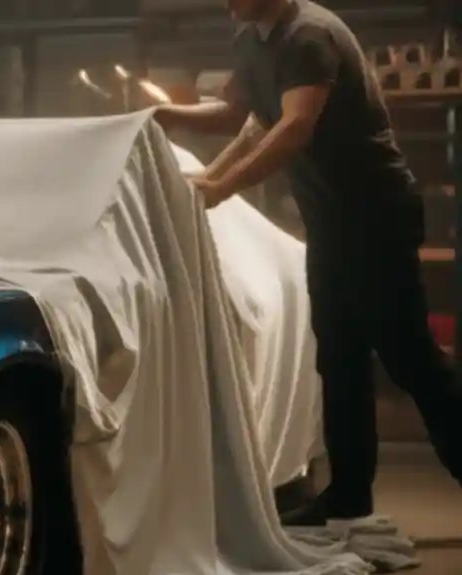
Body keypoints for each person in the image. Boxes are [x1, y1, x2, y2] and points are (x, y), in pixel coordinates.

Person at [154, 0, 462, 525]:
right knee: (339, 358)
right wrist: (164, 118)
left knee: (409, 357)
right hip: (330, 220)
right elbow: (247, 118)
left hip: (374, 213)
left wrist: (222, 187)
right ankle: (349, 496)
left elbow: (295, 126)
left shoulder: (308, 37)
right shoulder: (252, 38)